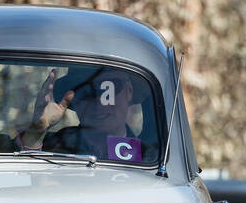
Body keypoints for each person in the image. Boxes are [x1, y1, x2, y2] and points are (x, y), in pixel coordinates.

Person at [15, 67, 150, 163]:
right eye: (87, 91)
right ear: (74, 99)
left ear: (129, 91)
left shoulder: (150, 158)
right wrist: (36, 133)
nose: (100, 103)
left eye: (110, 90)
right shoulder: (53, 146)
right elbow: (18, 181)